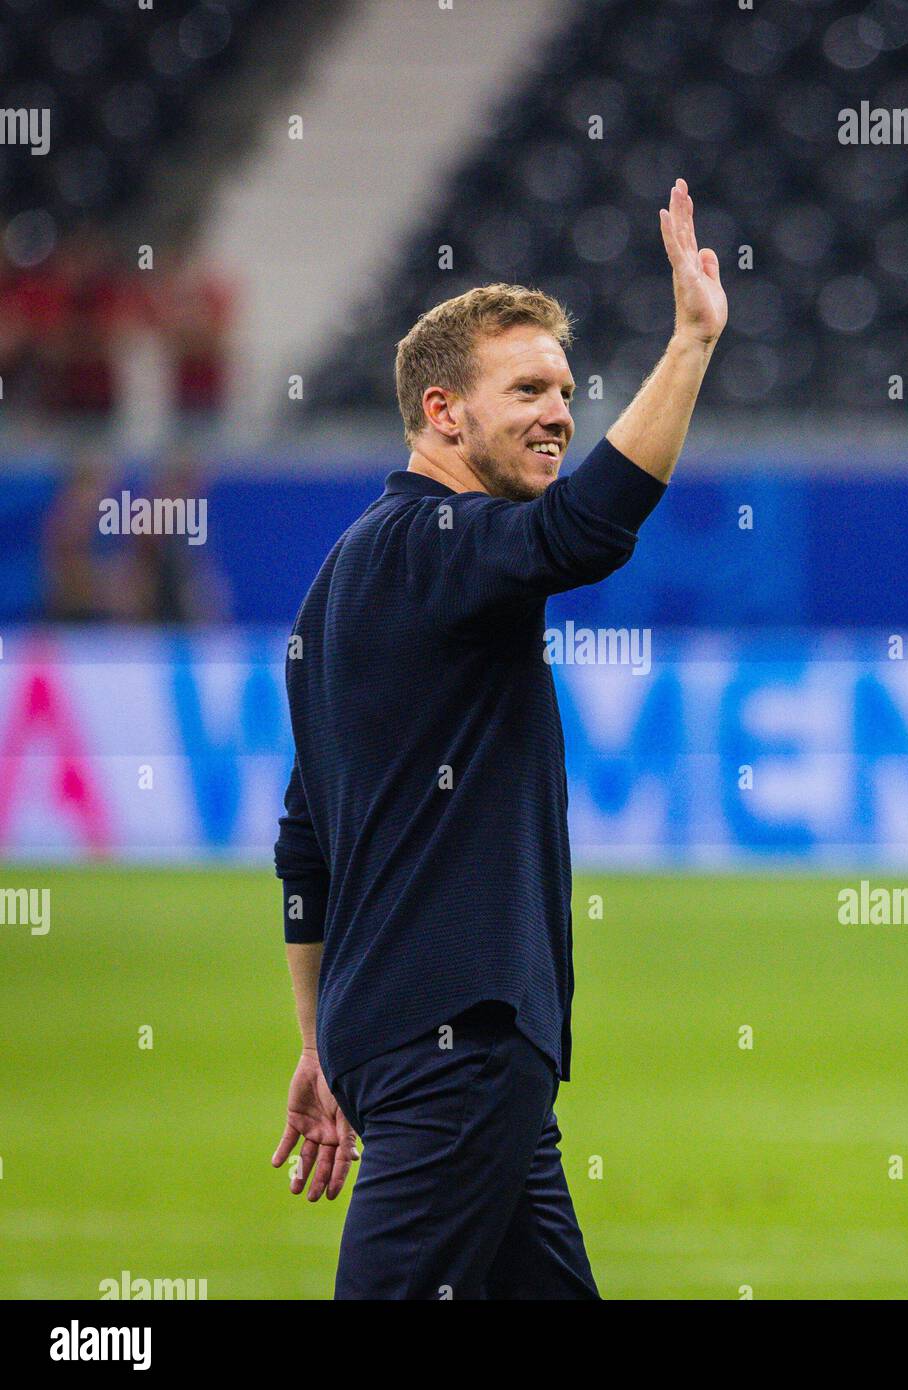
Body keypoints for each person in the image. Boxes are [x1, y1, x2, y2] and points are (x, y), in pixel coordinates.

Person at [271, 179, 727, 1299]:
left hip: (427, 1047)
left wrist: (320, 1040)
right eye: (527, 388)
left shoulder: (341, 582)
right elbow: (585, 532)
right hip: (458, 1043)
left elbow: (303, 843)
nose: (560, 413)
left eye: (567, 389)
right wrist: (694, 342)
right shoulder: (440, 542)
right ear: (442, 412)